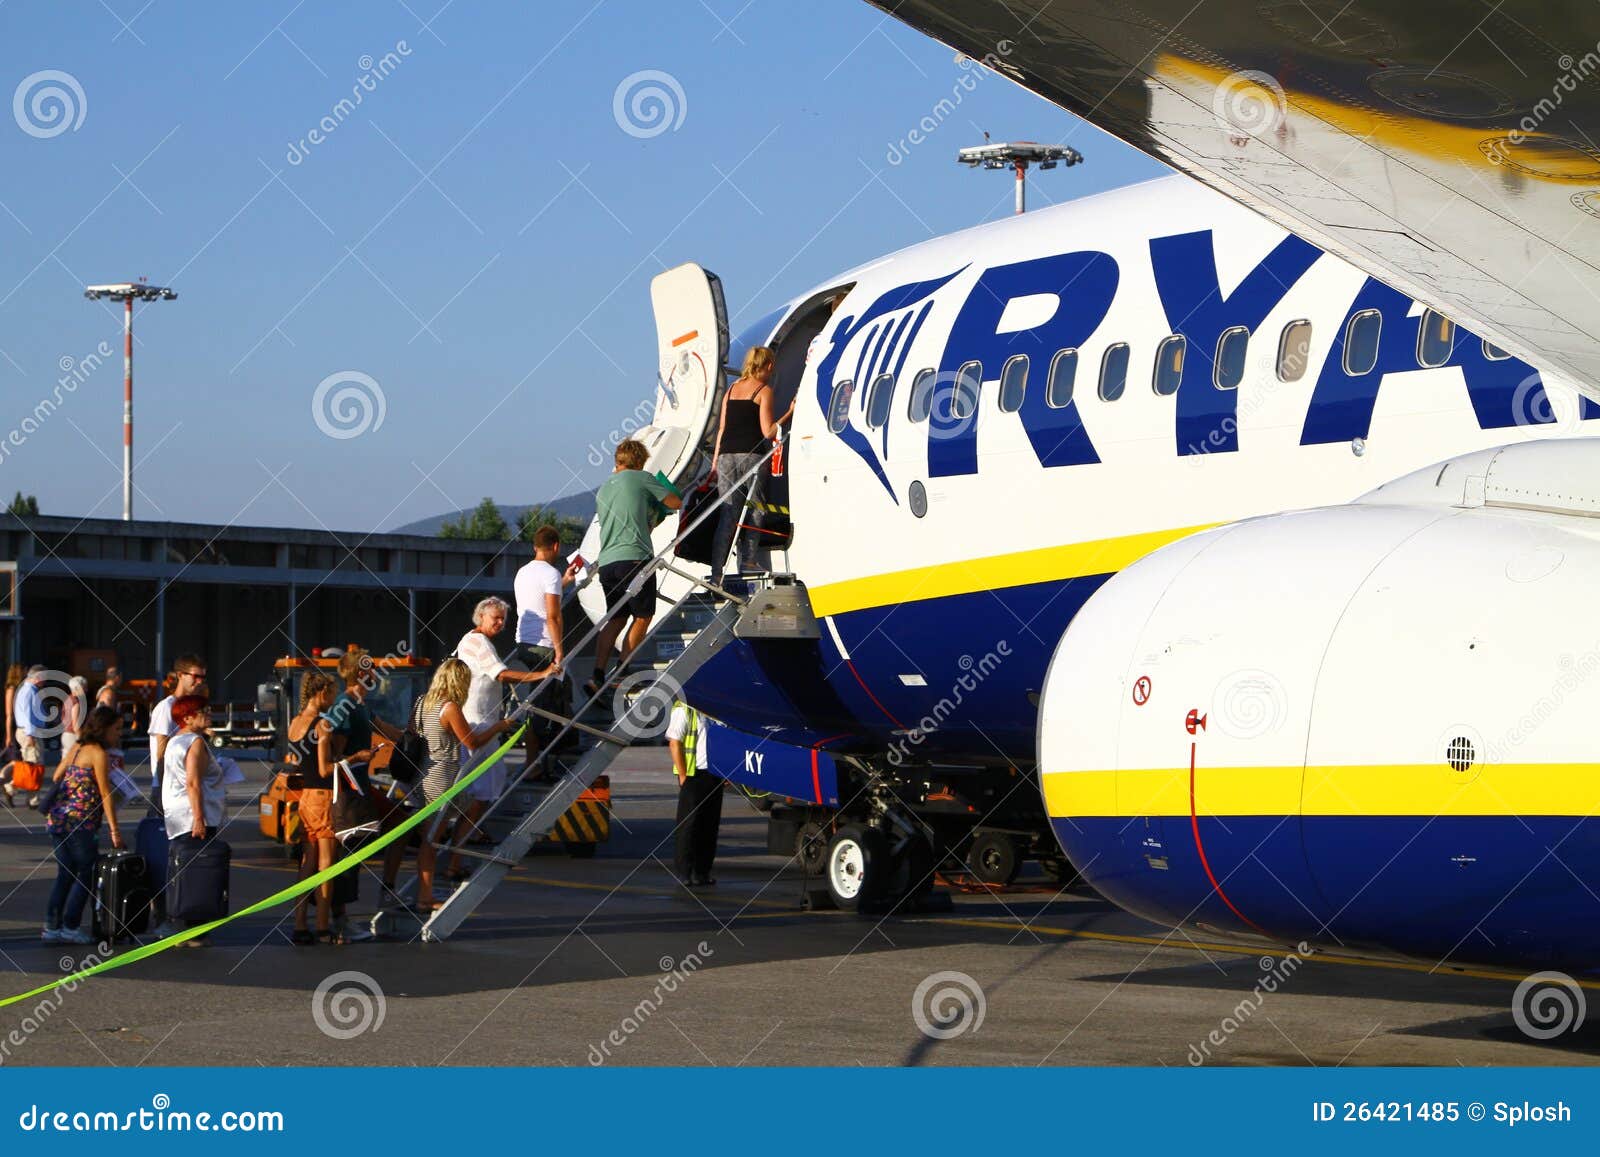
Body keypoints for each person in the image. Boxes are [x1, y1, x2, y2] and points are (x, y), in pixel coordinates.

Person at [413, 658, 515, 912]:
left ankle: (451, 861)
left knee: (459, 815)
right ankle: (425, 896)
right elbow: (472, 742)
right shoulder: (449, 708)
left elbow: (412, 735)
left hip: (426, 774)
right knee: (432, 839)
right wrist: (499, 727)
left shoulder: (422, 703)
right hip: (444, 778)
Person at [453, 597, 555, 851]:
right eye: (495, 618)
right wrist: (540, 674)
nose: (500, 623)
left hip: (474, 721)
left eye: (503, 619)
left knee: (482, 783)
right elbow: (501, 674)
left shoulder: (469, 639)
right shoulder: (480, 643)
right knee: (486, 787)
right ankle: (463, 840)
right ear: (481, 617)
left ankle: (469, 833)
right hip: (480, 725)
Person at [587, 439, 682, 698]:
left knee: (616, 618)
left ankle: (597, 673)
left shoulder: (604, 488)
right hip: (635, 560)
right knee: (643, 615)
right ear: (639, 461)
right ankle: (622, 671)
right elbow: (674, 502)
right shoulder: (642, 478)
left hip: (608, 562)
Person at [709, 345, 792, 586]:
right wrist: (789, 413)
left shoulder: (731, 390)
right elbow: (768, 432)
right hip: (751, 455)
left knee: (728, 512)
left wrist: (715, 462)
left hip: (725, 456)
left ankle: (716, 572)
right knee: (756, 507)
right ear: (768, 366)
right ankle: (749, 560)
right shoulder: (763, 391)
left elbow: (722, 429)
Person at [42, 705, 125, 943]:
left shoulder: (77, 747)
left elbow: (57, 776)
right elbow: (106, 793)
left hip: (59, 820)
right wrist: (115, 830)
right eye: (116, 729)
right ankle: (71, 925)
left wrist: (77, 782)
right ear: (104, 728)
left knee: (65, 873)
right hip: (80, 822)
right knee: (87, 872)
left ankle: (52, 926)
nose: (119, 734)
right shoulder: (98, 753)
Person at [160, 695, 225, 947]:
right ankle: (194, 930)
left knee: (182, 870)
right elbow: (193, 782)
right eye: (202, 711)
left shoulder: (174, 741)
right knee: (199, 871)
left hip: (176, 814)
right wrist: (199, 818)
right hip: (193, 814)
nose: (208, 714)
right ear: (187, 717)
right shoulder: (195, 743)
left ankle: (179, 924)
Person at [285, 671, 339, 945]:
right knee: (326, 865)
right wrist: (353, 758)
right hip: (322, 796)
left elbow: (296, 760)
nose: (334, 700)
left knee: (306, 863)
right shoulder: (322, 725)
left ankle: (300, 924)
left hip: (305, 796)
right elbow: (324, 769)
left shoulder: (295, 723)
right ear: (322, 693)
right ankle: (322, 926)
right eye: (332, 694)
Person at [666, 699, 723, 888]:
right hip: (693, 774)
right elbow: (674, 743)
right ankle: (684, 872)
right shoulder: (684, 710)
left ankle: (702, 872)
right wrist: (683, 775)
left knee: (710, 825)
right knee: (689, 825)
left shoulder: (716, 710)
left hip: (714, 774)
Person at [148, 654, 206, 792]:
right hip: (169, 788)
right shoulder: (166, 707)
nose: (199, 682)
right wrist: (162, 790)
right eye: (195, 676)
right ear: (180, 675)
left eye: (203, 677)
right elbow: (161, 753)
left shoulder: (193, 708)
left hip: (186, 785)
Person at [11, 666, 50, 808]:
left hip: (29, 731)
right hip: (30, 732)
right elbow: (27, 715)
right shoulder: (29, 691)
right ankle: (30, 797)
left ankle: (17, 790)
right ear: (38, 677)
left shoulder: (28, 690)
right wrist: (30, 734)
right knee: (34, 765)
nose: (45, 681)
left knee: (30, 764)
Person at [1, 663, 23, 807]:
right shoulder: (11, 689)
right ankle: (3, 781)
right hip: (14, 728)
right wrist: (9, 735)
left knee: (18, 761)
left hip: (18, 726)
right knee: (17, 761)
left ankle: (8, 787)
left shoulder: (20, 688)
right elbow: (9, 714)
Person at [61, 676, 88, 753]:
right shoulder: (76, 702)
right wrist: (81, 739)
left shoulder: (68, 699)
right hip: (72, 736)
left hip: (65, 734)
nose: (86, 690)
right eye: (84, 688)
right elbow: (76, 725)